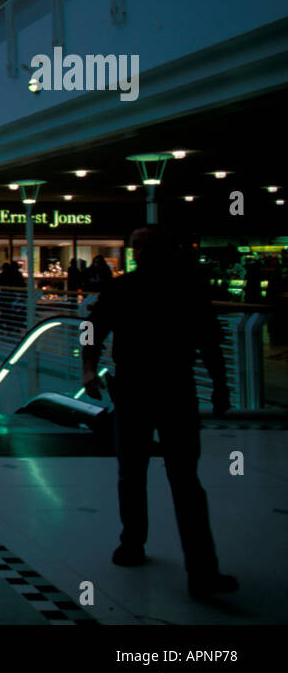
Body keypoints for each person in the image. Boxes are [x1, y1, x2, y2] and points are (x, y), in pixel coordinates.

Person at [81, 226, 236, 599]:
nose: (139, 251)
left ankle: (136, 545)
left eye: (143, 246)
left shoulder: (127, 289)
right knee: (178, 479)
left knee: (138, 473)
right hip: (171, 390)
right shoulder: (186, 289)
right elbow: (209, 341)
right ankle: (200, 569)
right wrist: (218, 386)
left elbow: (92, 328)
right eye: (136, 246)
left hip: (140, 390)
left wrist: (89, 368)